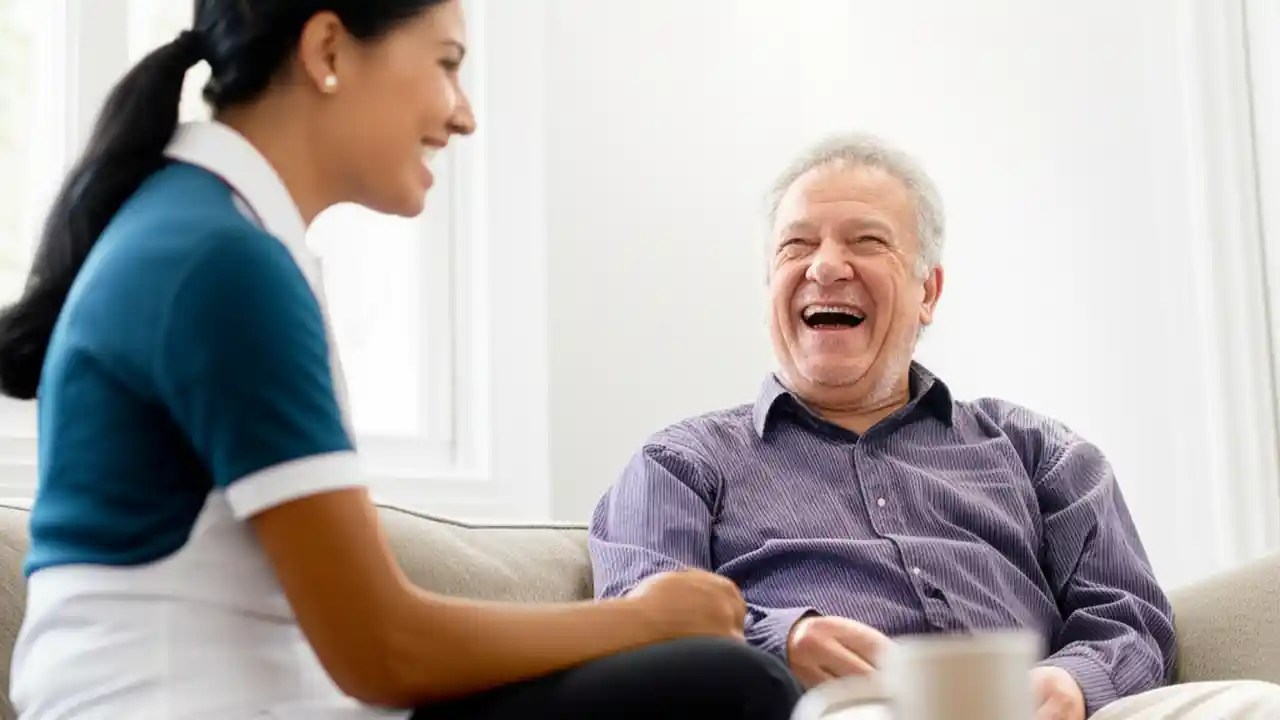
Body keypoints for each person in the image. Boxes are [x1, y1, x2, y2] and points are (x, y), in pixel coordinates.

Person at [1, 2, 802, 718]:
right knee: (727, 684)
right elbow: (381, 650)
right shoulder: (220, 263)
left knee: (715, 676)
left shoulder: (205, 233)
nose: (465, 116)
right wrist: (643, 620)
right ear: (327, 50)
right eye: (448, 63)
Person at [588, 133, 1280, 720]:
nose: (825, 265)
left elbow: (1131, 617)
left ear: (929, 292)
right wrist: (780, 637)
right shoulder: (680, 463)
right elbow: (636, 619)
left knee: (1253, 704)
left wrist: (1072, 683)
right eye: (795, 246)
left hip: (1045, 712)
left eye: (866, 241)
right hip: (839, 710)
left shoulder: (1040, 453)